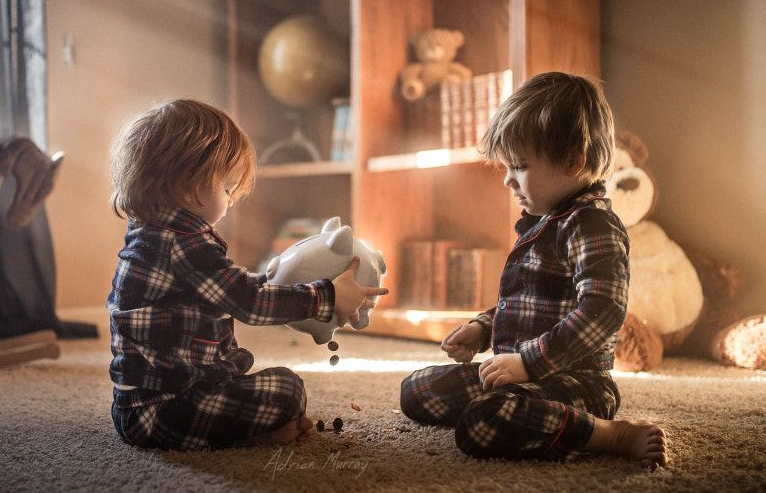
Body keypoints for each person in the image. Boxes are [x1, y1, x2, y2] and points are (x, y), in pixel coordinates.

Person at [399, 72, 668, 469]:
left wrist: (529, 364)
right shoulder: (541, 220)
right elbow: (525, 302)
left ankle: (608, 434)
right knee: (415, 390)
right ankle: (524, 413)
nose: (508, 179)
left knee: (483, 423)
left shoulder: (592, 224)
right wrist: (481, 328)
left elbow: (603, 311)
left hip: (576, 383)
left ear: (573, 161)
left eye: (520, 166)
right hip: (519, 372)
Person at [107, 99, 387, 451]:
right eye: (227, 189)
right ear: (191, 186)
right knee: (287, 390)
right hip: (164, 412)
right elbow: (250, 302)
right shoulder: (184, 245)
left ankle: (245, 432)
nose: (232, 200)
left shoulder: (153, 234)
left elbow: (231, 287)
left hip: (137, 406)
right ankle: (240, 434)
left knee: (267, 388)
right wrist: (325, 297)